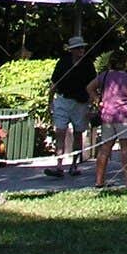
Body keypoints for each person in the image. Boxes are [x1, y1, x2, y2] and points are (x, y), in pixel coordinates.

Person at [88, 50, 127, 189]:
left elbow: (89, 88)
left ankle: (99, 181)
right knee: (126, 149)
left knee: (105, 149)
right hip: (124, 116)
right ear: (124, 63)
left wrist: (98, 101)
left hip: (107, 116)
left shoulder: (104, 76)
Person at [46, 34, 97, 178]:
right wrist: (50, 102)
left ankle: (74, 165)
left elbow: (93, 85)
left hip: (81, 103)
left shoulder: (88, 64)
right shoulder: (63, 63)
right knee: (60, 132)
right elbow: (54, 83)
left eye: (82, 48)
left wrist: (93, 105)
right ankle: (59, 165)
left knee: (78, 133)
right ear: (72, 50)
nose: (81, 50)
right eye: (78, 48)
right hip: (63, 100)